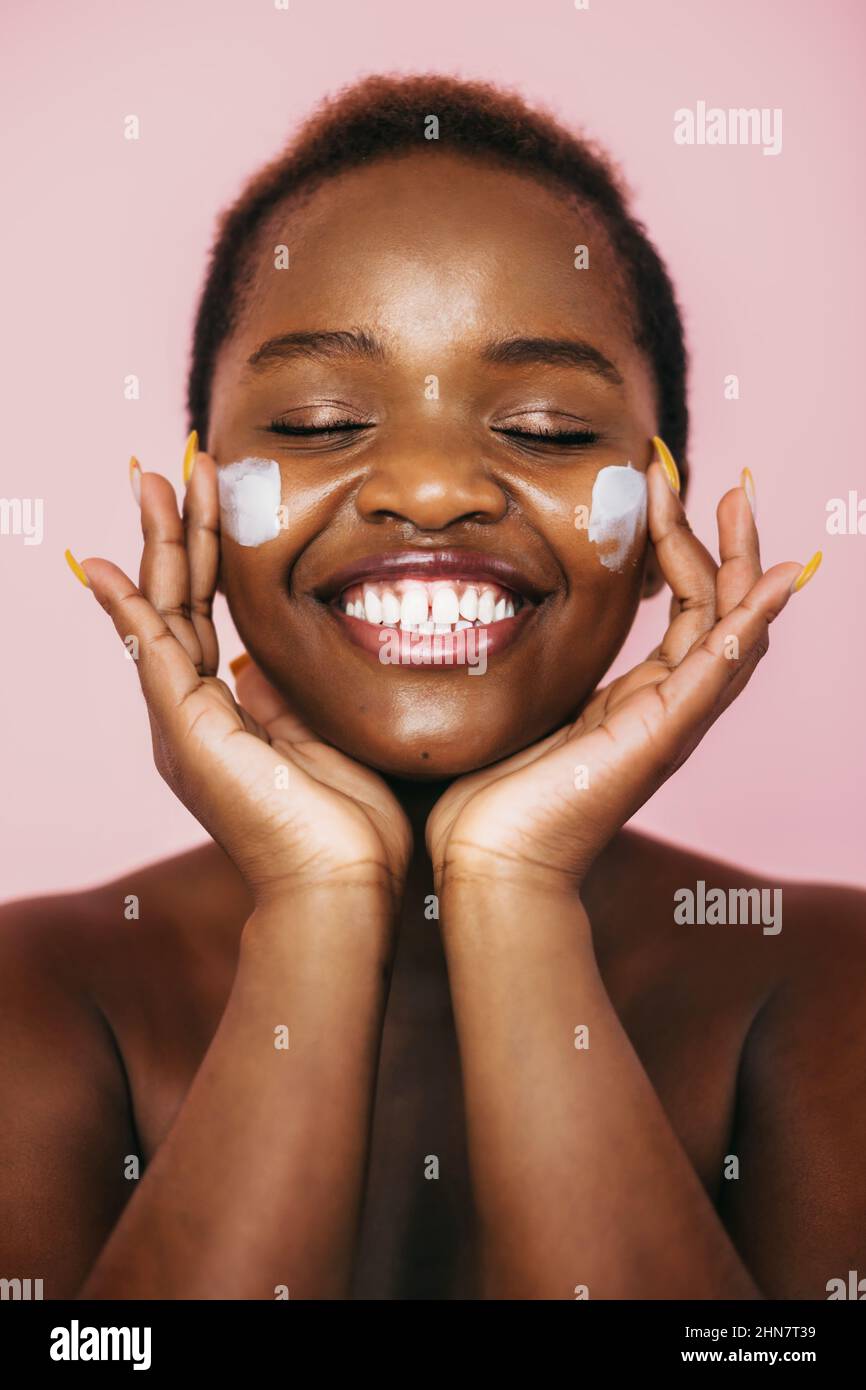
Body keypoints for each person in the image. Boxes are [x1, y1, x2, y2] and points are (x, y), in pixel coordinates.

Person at [2, 74, 862, 1301]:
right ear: (196, 496)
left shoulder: (823, 974)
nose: (428, 485)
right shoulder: (33, 989)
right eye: (315, 419)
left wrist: (511, 887)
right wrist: (314, 900)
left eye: (550, 430)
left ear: (668, 501)